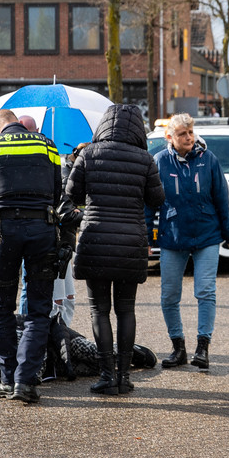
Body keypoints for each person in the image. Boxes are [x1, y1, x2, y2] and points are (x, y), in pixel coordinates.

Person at [66, 103, 164, 396]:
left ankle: (107, 376)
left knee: (99, 310)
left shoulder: (89, 154)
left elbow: (72, 195)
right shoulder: (145, 159)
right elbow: (157, 200)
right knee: (126, 309)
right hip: (131, 241)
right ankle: (125, 377)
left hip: (96, 239)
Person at [0, 107, 62, 404]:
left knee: (2, 308)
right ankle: (26, 382)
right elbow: (58, 192)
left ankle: (7, 380)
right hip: (42, 231)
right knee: (38, 309)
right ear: (20, 124)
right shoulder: (47, 145)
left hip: (3, 233)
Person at [153, 113, 229, 371]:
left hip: (206, 235)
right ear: (169, 137)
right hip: (173, 237)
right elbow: (149, 205)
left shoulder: (209, 160)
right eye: (182, 133)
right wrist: (147, 237)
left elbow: (221, 201)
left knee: (206, 291)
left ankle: (203, 347)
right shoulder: (159, 162)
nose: (189, 137)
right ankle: (178, 346)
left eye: (190, 132)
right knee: (169, 295)